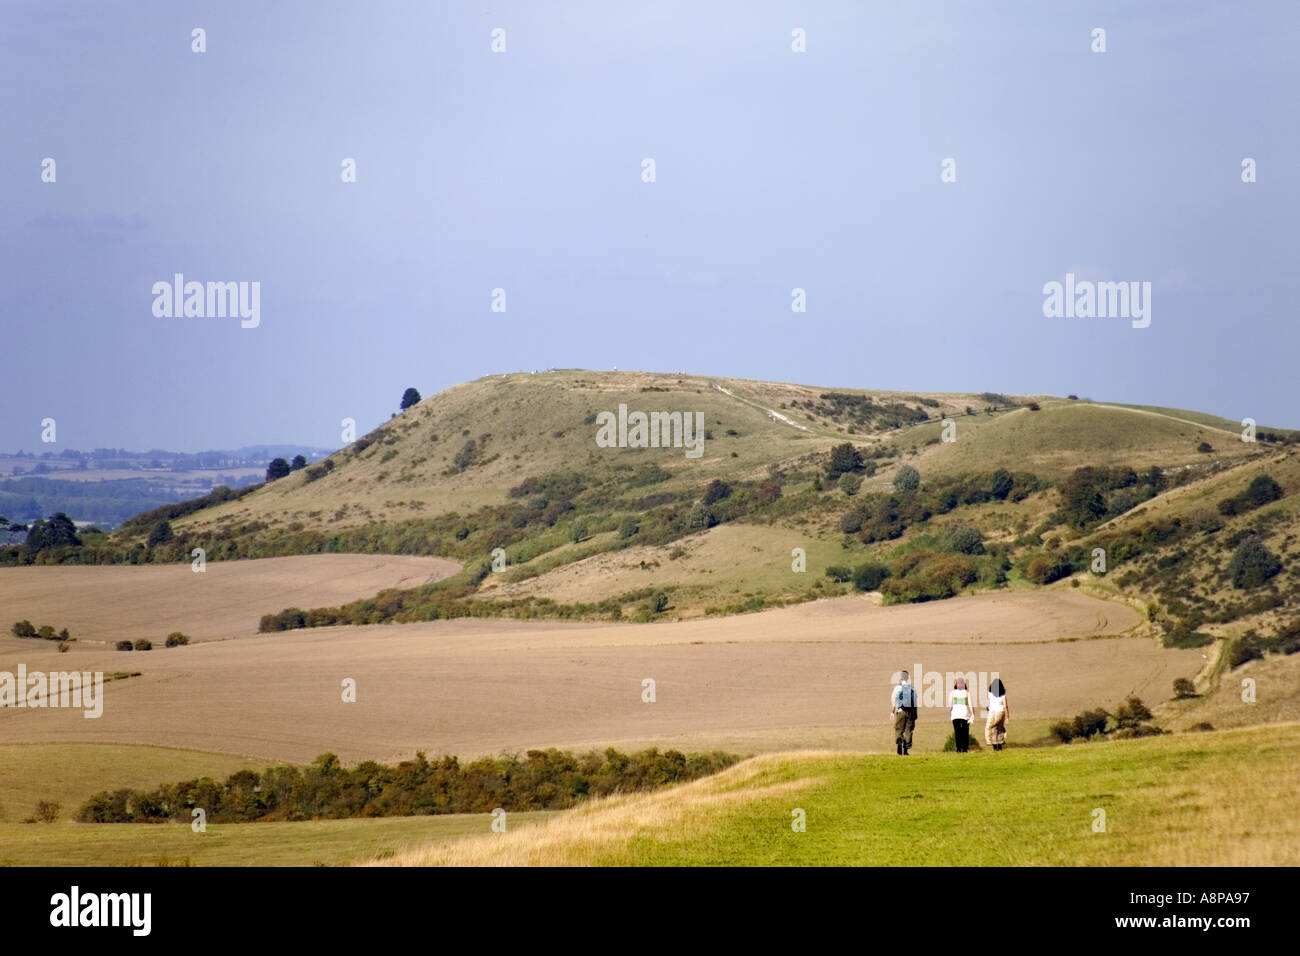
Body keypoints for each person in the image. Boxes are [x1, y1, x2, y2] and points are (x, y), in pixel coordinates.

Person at [890, 670, 918, 755]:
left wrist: (892, 712)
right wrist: (915, 713)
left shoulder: (897, 688)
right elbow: (915, 702)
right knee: (908, 730)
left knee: (899, 729)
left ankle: (900, 743)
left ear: (901, 678)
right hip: (910, 712)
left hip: (900, 711)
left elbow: (893, 700)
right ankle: (905, 749)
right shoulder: (912, 688)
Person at [949, 676, 974, 752]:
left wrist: (950, 714)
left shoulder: (952, 693)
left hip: (955, 715)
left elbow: (950, 706)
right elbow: (970, 705)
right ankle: (965, 748)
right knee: (965, 732)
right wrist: (972, 714)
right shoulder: (967, 693)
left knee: (957, 732)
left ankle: (958, 748)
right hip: (965, 715)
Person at [986, 678, 1009, 750]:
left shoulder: (989, 694)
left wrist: (987, 709)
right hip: (1000, 712)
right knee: (999, 728)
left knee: (992, 729)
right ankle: (999, 744)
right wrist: (1007, 717)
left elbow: (987, 704)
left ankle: (994, 745)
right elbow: (1005, 706)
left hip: (992, 712)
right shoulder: (1003, 695)